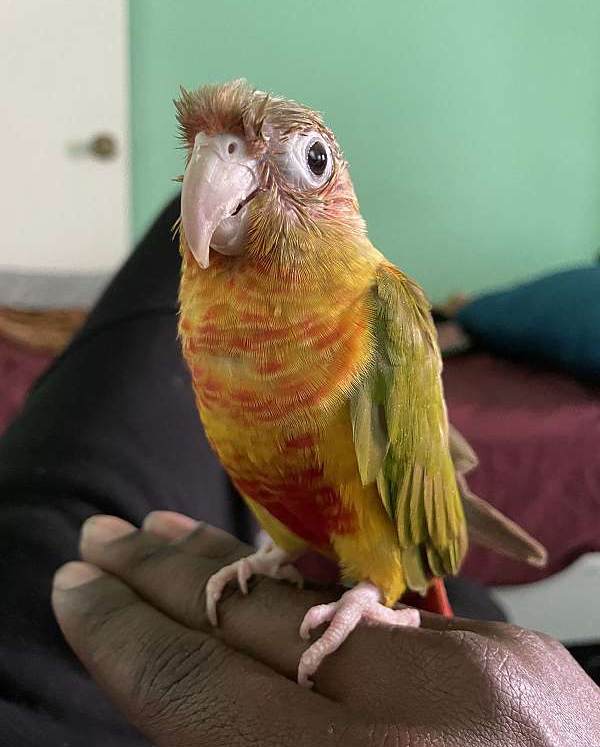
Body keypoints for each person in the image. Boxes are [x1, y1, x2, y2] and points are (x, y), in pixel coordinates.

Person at [0, 198, 598, 747]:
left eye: (310, 160)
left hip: (389, 545)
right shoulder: (205, 308)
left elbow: (416, 495)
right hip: (288, 526)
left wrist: (374, 589)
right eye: (200, 156)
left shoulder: (380, 306)